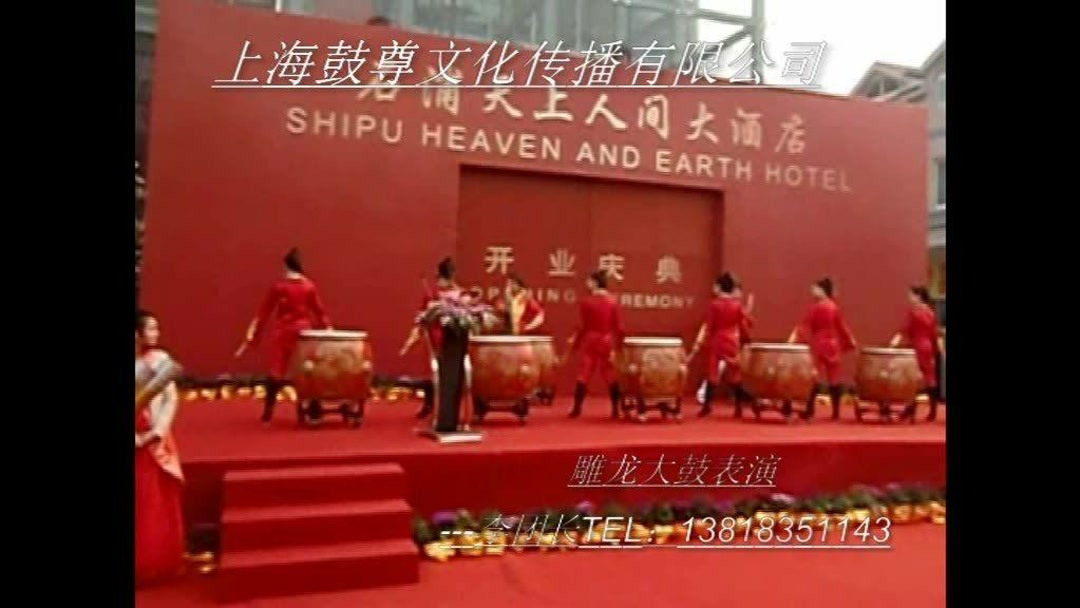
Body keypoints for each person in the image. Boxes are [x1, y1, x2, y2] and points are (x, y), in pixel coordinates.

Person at [236, 248, 331, 425]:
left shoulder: (279, 287)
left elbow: (264, 312)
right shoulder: (309, 286)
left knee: (277, 369)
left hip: (284, 332)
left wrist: (254, 333)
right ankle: (314, 410)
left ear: (286, 266)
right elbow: (319, 311)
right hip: (304, 333)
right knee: (309, 371)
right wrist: (328, 329)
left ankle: (268, 412)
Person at [135, 310, 186, 586]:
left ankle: (158, 559)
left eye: (156, 328)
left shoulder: (160, 360)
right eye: (150, 329)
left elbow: (170, 399)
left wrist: (158, 431)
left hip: (155, 442)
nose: (155, 334)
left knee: (156, 502)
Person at [400, 257, 462, 419]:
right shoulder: (432, 295)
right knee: (430, 374)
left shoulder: (460, 295)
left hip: (453, 341)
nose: (440, 283)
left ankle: (448, 409)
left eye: (442, 279)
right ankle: (429, 404)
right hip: (433, 340)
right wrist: (410, 341)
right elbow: (420, 319)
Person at [788, 277, 857, 420]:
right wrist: (850, 341)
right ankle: (836, 412)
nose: (812, 291)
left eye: (815, 288)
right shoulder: (834, 307)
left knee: (814, 377)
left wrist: (793, 339)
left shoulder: (816, 308)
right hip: (833, 344)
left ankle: (809, 410)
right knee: (834, 378)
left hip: (819, 344)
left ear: (822, 290)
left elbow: (804, 326)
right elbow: (842, 327)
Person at [689, 273, 753, 418]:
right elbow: (744, 324)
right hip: (732, 341)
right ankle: (738, 407)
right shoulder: (737, 305)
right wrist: (747, 339)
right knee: (735, 374)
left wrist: (702, 341)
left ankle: (707, 407)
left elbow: (709, 326)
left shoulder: (714, 304)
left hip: (718, 340)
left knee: (712, 373)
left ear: (719, 287)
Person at [566, 270, 625, 419]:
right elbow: (618, 327)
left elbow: (583, 326)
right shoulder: (613, 301)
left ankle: (577, 409)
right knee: (610, 375)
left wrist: (576, 343)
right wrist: (619, 346)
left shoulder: (586, 302)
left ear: (594, 282)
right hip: (606, 341)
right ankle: (616, 409)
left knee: (584, 374)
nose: (587, 284)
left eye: (589, 281)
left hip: (591, 340)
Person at [890, 286, 945, 421]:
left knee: (912, 378)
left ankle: (910, 408)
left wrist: (895, 340)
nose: (909, 298)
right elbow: (934, 333)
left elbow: (906, 328)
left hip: (917, 347)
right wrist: (940, 350)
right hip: (928, 347)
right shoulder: (930, 312)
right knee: (930, 378)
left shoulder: (914, 312)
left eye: (911, 295)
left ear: (918, 296)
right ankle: (932, 411)